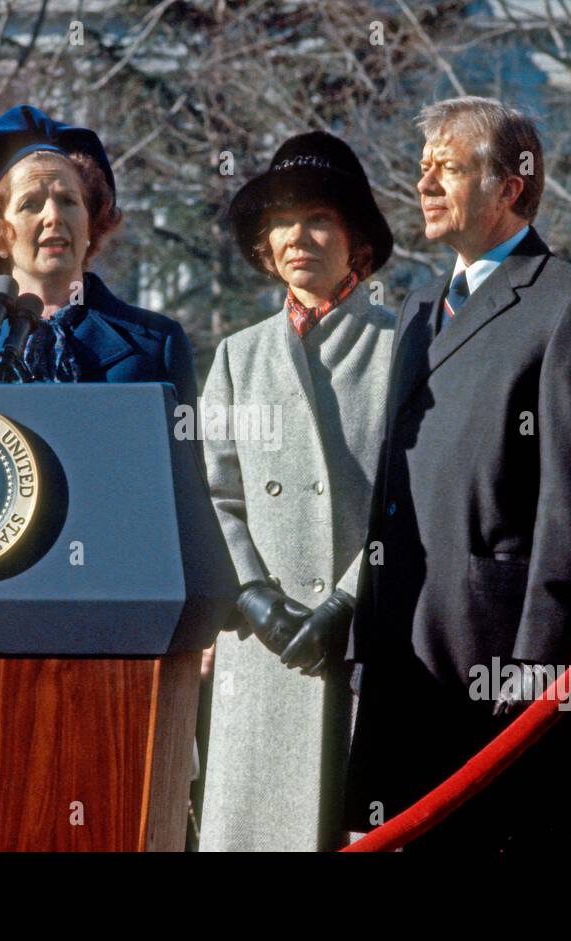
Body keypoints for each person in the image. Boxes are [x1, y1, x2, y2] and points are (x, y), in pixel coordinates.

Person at [345, 96, 571, 853]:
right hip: (402, 667)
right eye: (421, 169)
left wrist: (534, 678)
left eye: (447, 167)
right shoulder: (416, 311)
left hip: (499, 678)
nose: (424, 184)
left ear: (510, 187)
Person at [198, 131, 396, 852]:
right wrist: (252, 594)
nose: (297, 236)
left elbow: (407, 502)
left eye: (318, 218)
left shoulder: (402, 347)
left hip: (360, 646)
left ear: (358, 242)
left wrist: (345, 599)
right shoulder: (236, 355)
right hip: (264, 653)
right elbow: (214, 494)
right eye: (282, 220)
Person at [0, 104, 197, 411]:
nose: (54, 216)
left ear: (91, 223)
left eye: (68, 200)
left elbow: (181, 458)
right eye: (30, 204)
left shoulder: (156, 344)